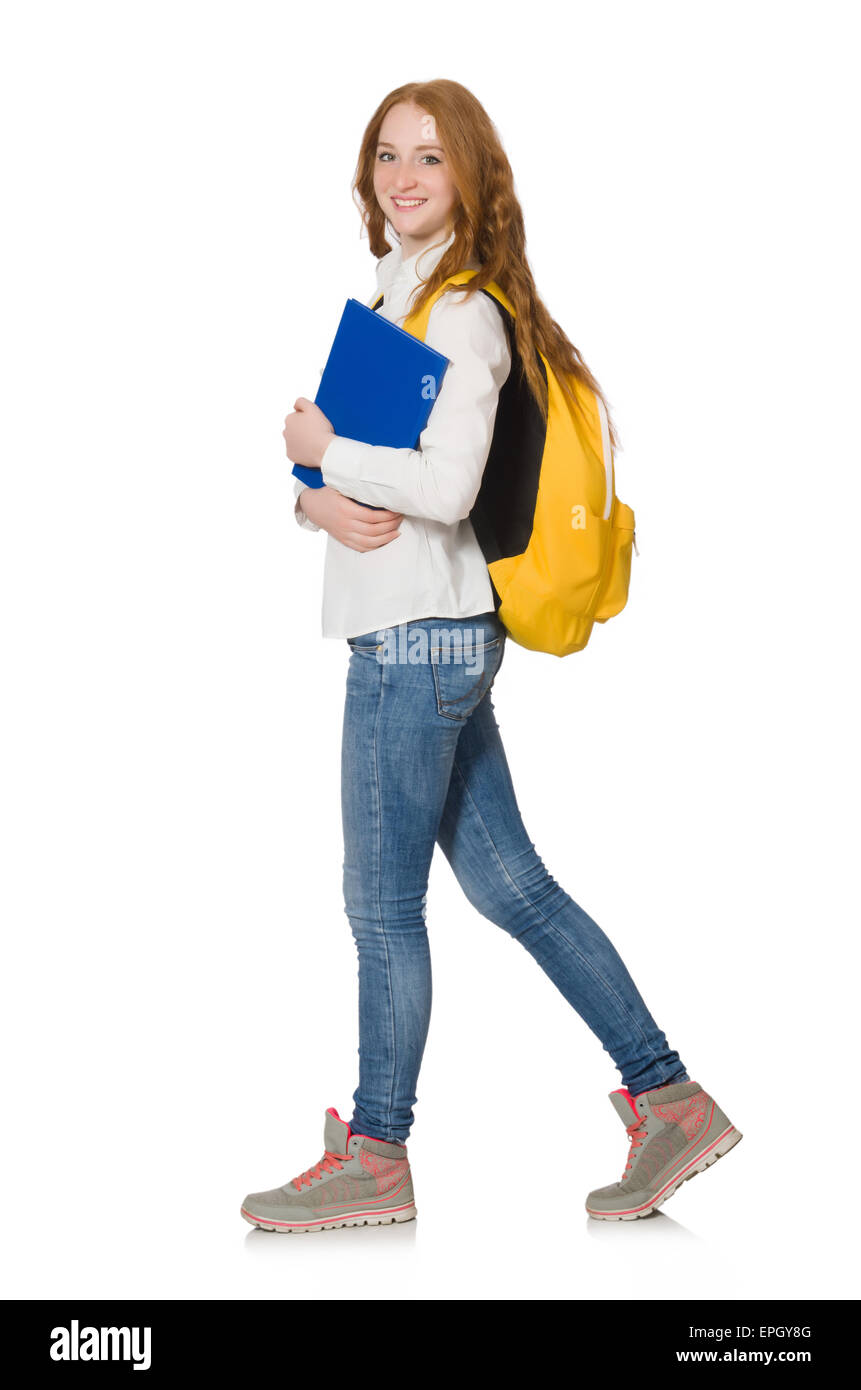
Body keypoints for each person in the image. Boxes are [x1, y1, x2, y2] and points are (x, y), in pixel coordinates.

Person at [240, 80, 741, 1232]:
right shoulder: (397, 292)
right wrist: (312, 494)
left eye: (428, 156)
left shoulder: (460, 310)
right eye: (386, 156)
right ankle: (669, 1098)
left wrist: (320, 451)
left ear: (470, 172)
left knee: (382, 910)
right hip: (427, 635)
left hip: (416, 645)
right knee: (512, 887)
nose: (404, 176)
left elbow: (445, 487)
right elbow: (346, 482)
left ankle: (376, 1150)